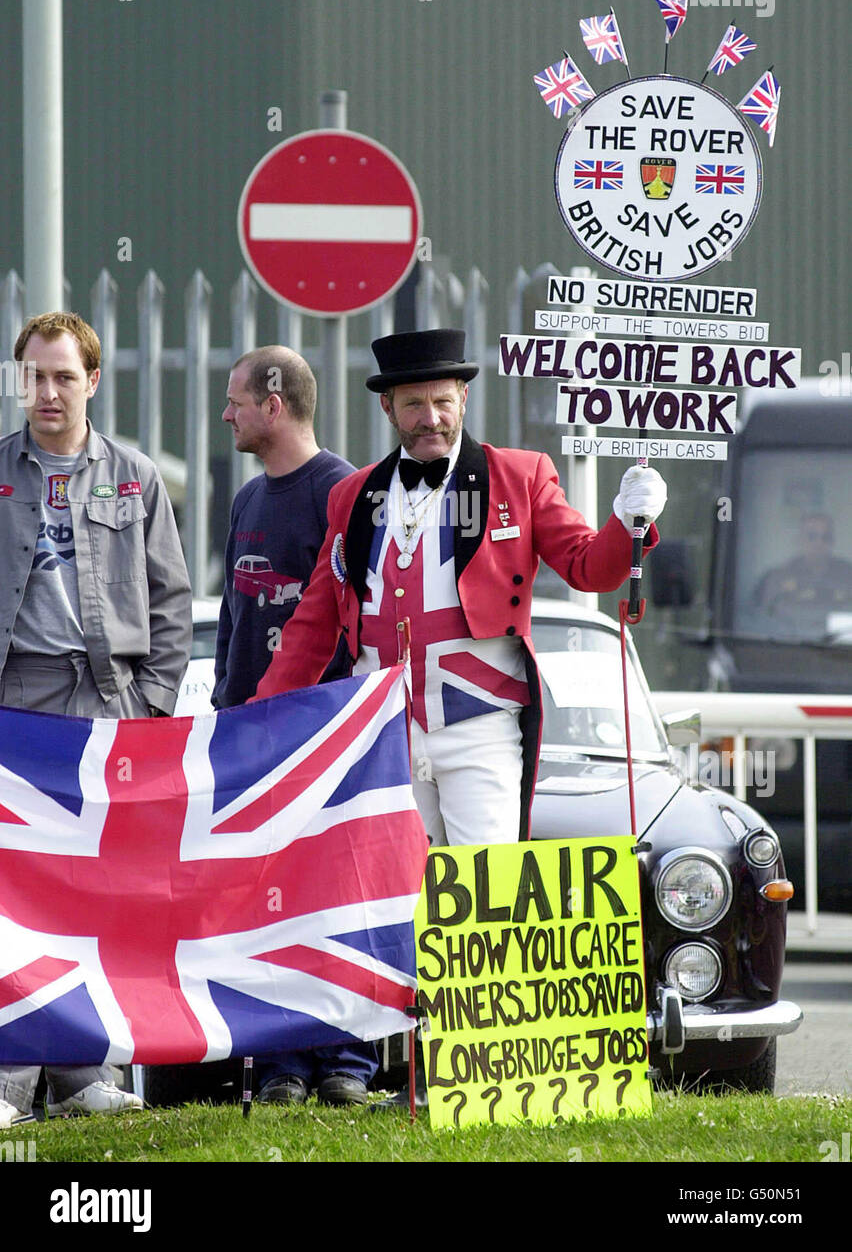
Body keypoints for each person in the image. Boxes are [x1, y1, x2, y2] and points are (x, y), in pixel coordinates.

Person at [252, 327, 667, 852]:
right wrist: (257, 723)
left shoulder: (519, 476)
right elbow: (313, 624)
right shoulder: (351, 495)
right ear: (387, 407)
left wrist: (626, 519)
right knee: (397, 896)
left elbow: (590, 569)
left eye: (443, 401)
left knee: (486, 896)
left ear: (463, 398)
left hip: (481, 728)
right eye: (414, 405)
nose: (431, 418)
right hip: (384, 730)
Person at [0, 310, 192, 1128]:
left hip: (108, 705)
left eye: (62, 377)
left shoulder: (136, 478)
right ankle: (10, 1080)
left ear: (93, 382)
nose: (46, 392)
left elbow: (172, 603)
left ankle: (85, 1077)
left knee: (100, 890)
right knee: (17, 893)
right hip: (18, 705)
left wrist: (149, 711)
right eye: (34, 376)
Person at [214, 345, 377, 1107]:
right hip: (251, 738)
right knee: (269, 898)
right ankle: (282, 1064)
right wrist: (224, 711)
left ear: (273, 404)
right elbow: (234, 620)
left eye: (236, 401)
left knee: (335, 895)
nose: (227, 414)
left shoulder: (342, 491)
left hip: (324, 735)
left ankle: (346, 1063)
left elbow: (353, 617)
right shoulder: (247, 499)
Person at [753, 512, 852, 629]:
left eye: (826, 538)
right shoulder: (777, 577)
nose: (819, 543)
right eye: (812, 536)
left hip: (836, 644)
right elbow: (762, 620)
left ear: (832, 542)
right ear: (799, 540)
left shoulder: (848, 576)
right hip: (788, 643)